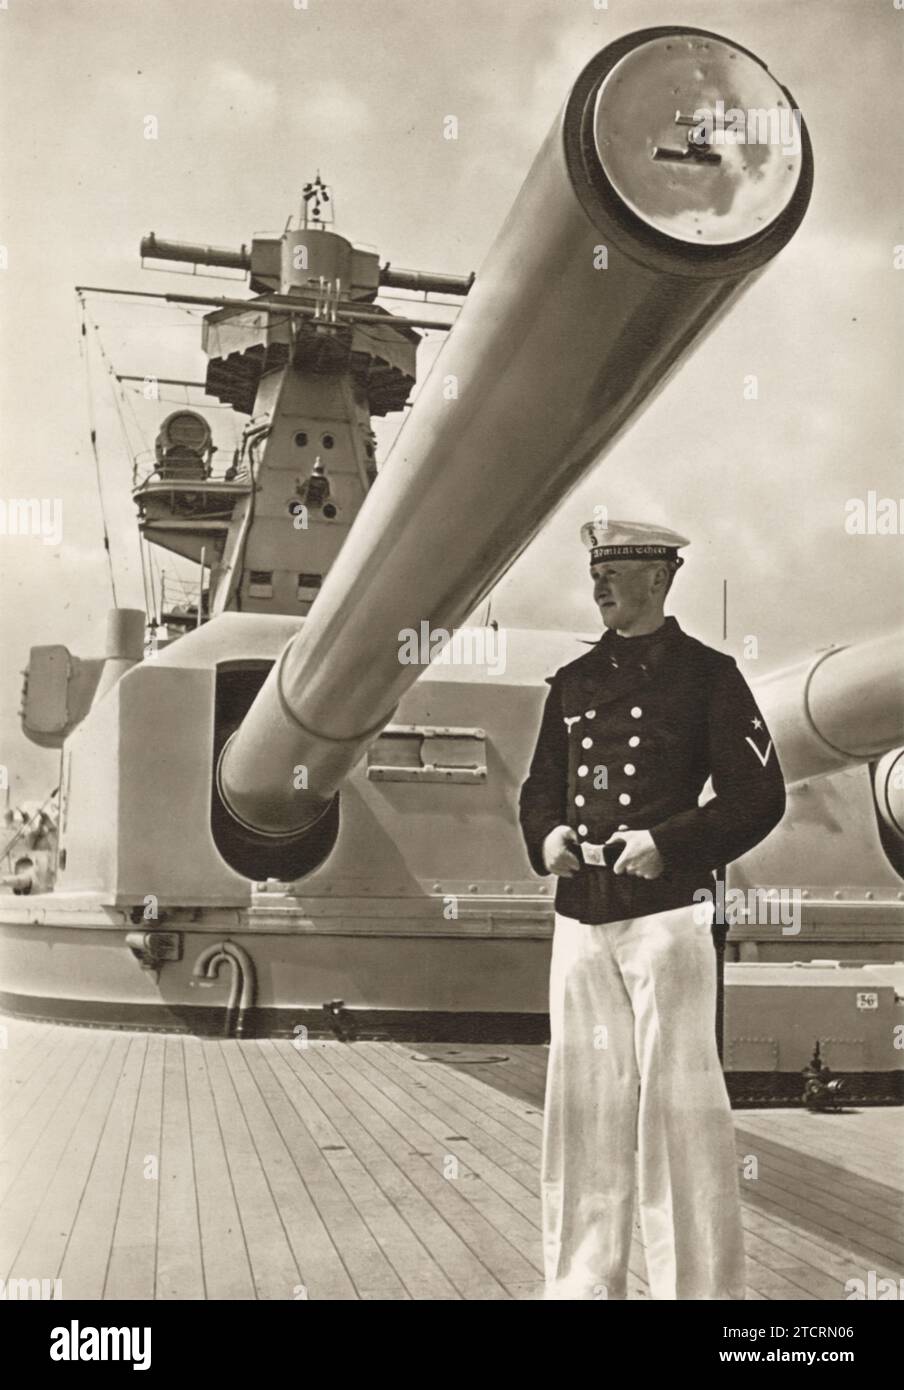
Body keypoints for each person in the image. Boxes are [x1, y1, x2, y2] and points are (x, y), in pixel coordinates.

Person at [518, 519, 786, 1300]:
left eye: (615, 570)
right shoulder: (571, 681)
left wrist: (670, 843)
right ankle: (579, 1287)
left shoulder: (708, 676)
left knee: (680, 1115)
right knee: (582, 1111)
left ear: (659, 578)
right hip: (581, 915)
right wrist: (547, 836)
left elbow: (757, 797)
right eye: (595, 569)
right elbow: (539, 787)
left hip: (666, 917)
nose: (598, 583)